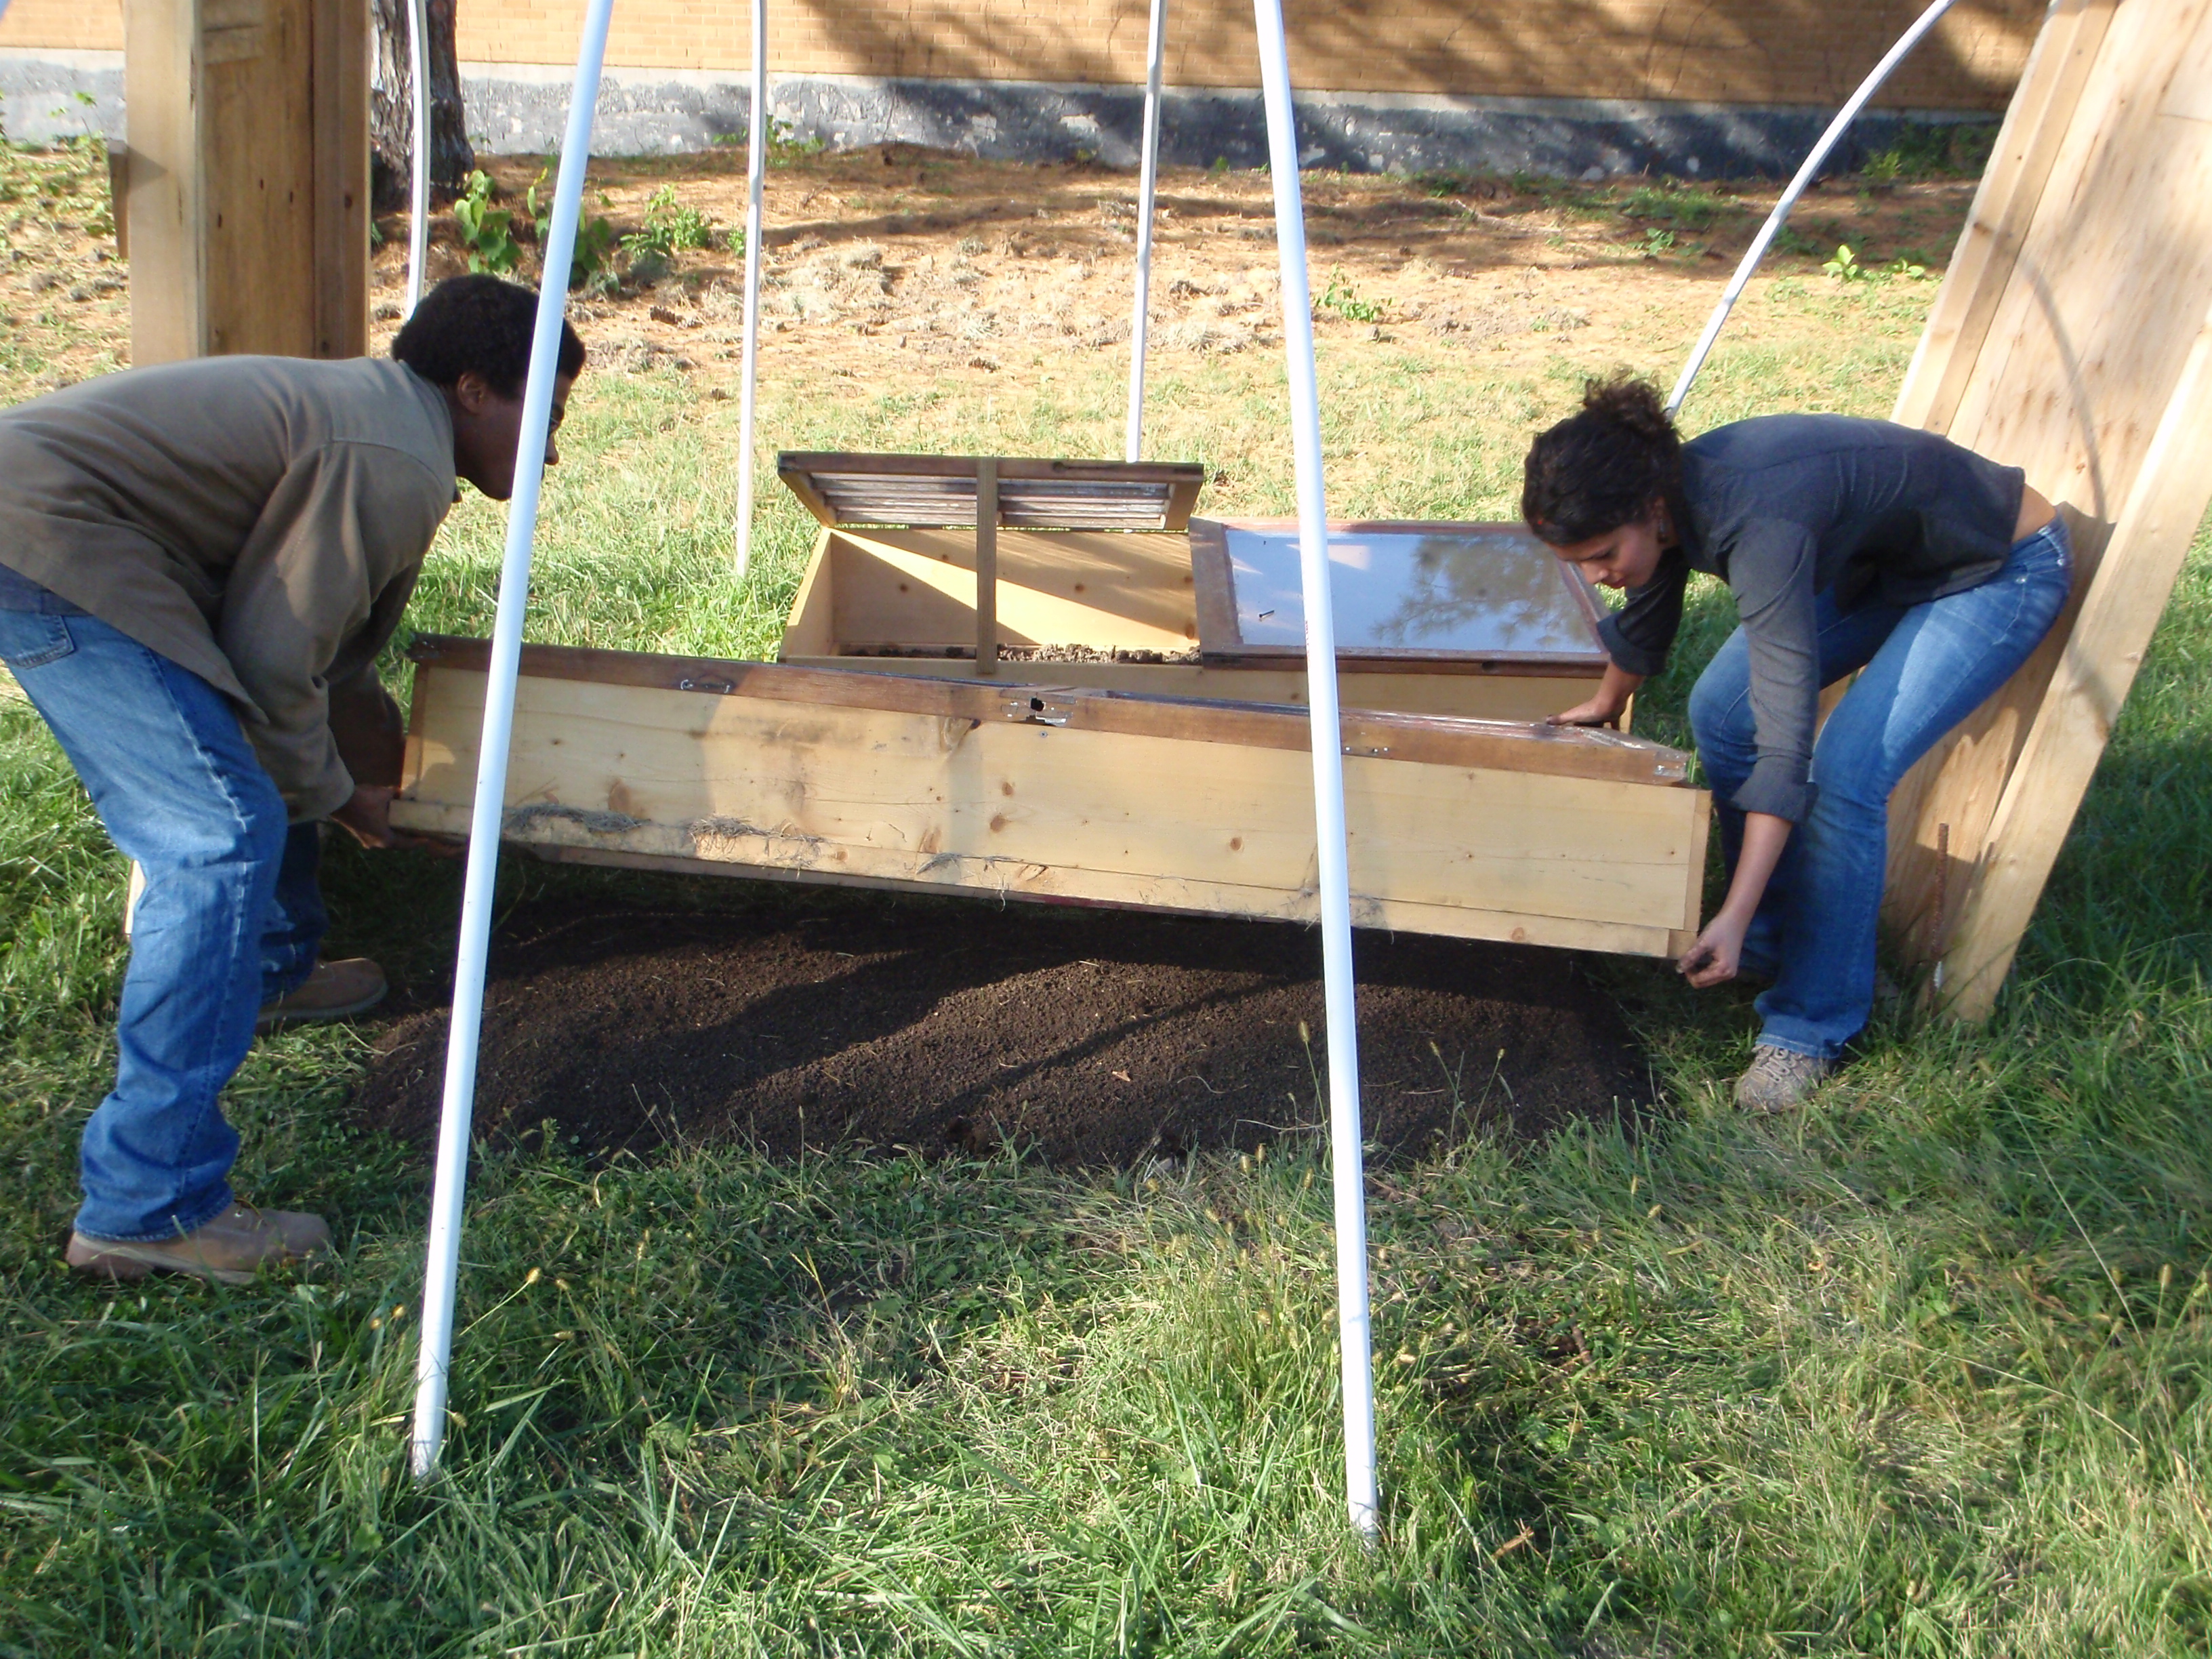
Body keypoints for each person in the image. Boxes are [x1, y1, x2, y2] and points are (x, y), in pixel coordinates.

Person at [0, 274, 584, 1282]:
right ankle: (149, 1206)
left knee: (253, 775)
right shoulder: (393, 460)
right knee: (216, 838)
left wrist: (371, 772)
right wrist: (343, 798)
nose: (555, 449)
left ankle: (265, 972)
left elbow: (326, 662)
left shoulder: (386, 423)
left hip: (53, 521)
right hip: (53, 547)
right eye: (550, 413)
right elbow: (274, 669)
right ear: (479, 388)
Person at [1521, 377, 2070, 1111]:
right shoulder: (1667, 496)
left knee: (1844, 773)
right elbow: (1651, 605)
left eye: (1601, 554)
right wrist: (1607, 698)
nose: (1597, 576)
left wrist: (1731, 908)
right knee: (1720, 710)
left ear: (1649, 510)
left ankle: (1810, 1026)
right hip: (1886, 566)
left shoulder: (1759, 525)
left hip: (1999, 570)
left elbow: (1786, 746)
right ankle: (1778, 935)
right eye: (1579, 564)